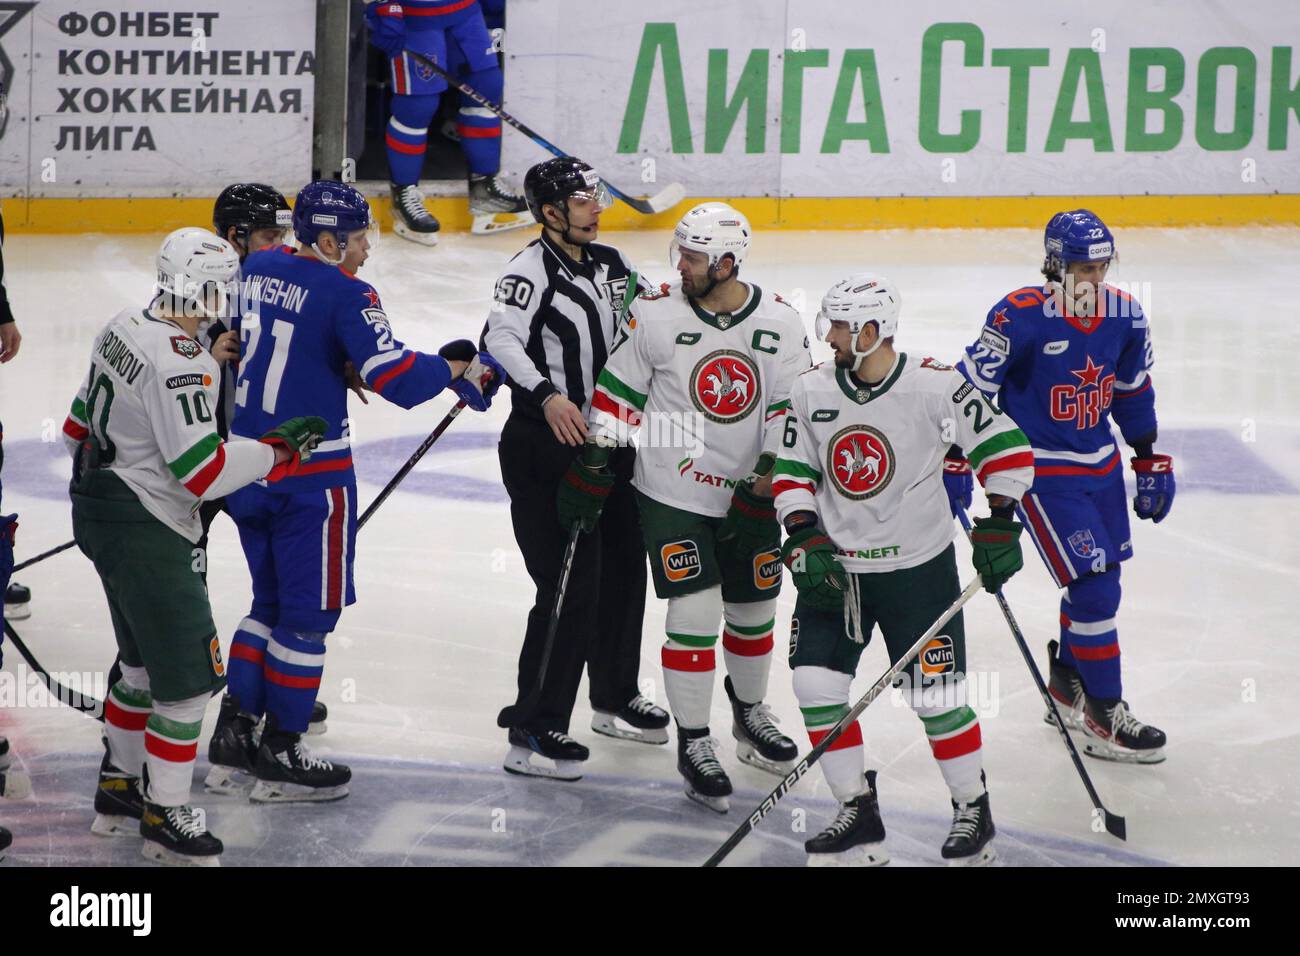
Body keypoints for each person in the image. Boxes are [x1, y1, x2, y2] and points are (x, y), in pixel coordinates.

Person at [203, 180, 503, 803]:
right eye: (361, 236)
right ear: (331, 241)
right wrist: (456, 370)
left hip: (246, 468)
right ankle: (282, 749)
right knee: (308, 620)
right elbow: (392, 377)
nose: (368, 247)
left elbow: (259, 339)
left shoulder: (257, 266)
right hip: (311, 481)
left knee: (268, 604)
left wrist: (333, 361)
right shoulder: (349, 291)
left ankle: (236, 735)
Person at [61, 228, 327, 865]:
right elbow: (201, 474)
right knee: (184, 686)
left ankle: (120, 788)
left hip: (98, 509)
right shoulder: (183, 358)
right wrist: (276, 451)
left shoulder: (123, 323)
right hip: (149, 528)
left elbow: (74, 430)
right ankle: (164, 811)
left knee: (139, 668)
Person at [773, 274, 1033, 866]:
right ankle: (857, 810)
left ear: (870, 331)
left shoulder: (936, 387)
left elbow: (1006, 448)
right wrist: (803, 534)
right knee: (815, 685)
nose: (829, 336)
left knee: (935, 697)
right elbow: (792, 470)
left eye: (839, 326)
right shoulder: (810, 390)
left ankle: (973, 807)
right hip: (837, 572)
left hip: (918, 571)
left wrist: (999, 520)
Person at [566, 202, 809, 813]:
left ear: (728, 262)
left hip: (751, 496)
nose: (682, 265)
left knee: (754, 610)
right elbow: (619, 394)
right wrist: (596, 464)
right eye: (681, 252)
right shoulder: (654, 313)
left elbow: (791, 411)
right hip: (672, 490)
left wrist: (765, 481)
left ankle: (750, 716)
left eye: (695, 256)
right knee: (696, 609)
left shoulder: (781, 322)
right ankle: (694, 742)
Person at [958, 210, 1171, 764]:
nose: (1094, 279)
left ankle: (1067, 687)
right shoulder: (1018, 317)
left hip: (1099, 469)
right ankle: (1105, 713)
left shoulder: (1125, 315)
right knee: (1095, 584)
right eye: (1082, 267)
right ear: (1055, 265)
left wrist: (1146, 457)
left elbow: (1130, 391)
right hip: (1041, 473)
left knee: (1102, 584)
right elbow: (970, 393)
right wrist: (956, 460)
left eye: (1102, 266)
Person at [483, 157, 665, 782]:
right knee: (567, 584)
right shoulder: (527, 270)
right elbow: (500, 340)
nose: (596, 208)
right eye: (584, 200)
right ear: (551, 212)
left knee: (623, 565)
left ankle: (613, 695)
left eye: (595, 197)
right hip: (546, 446)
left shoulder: (612, 264)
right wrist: (547, 395)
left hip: (612, 439)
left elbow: (646, 322)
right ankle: (533, 723)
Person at [364, 0, 530, 243]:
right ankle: (404, 194)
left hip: (467, 12)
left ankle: (485, 188)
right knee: (417, 106)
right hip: (416, 16)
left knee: (486, 88)